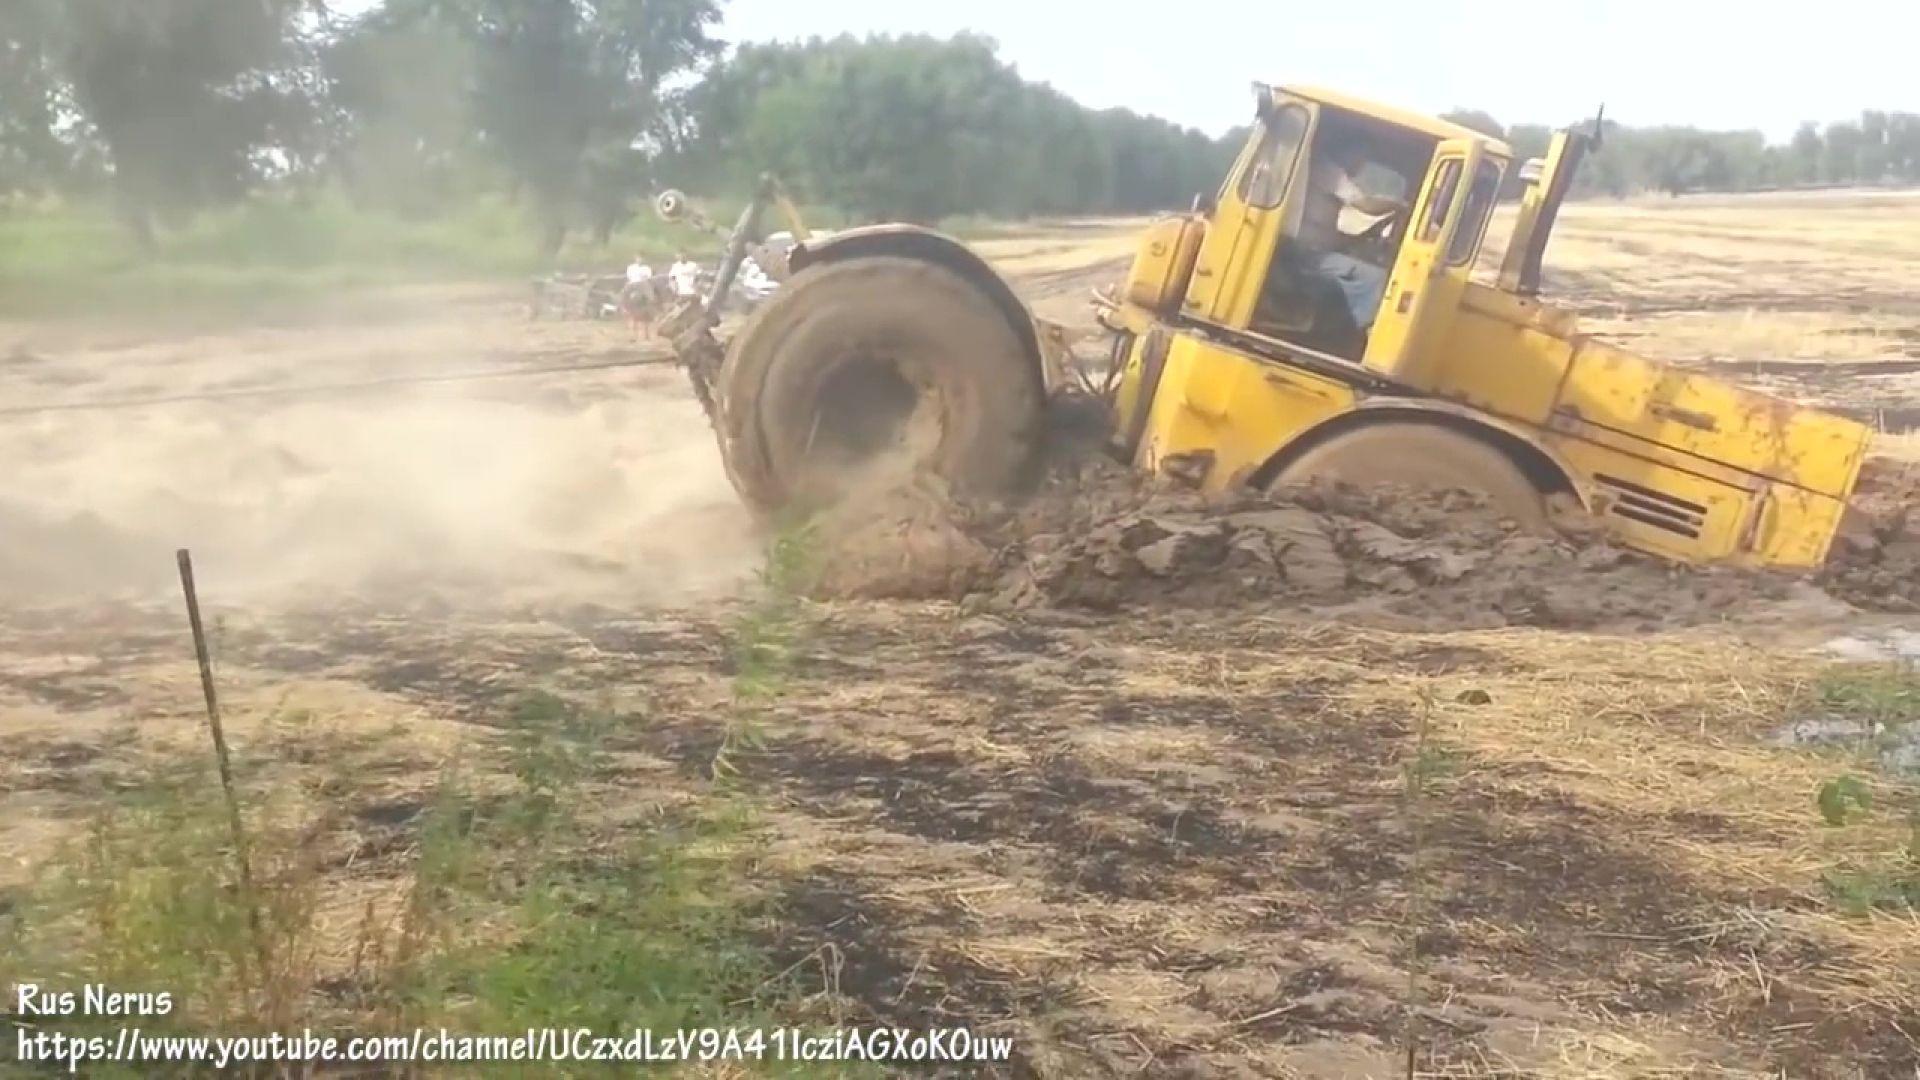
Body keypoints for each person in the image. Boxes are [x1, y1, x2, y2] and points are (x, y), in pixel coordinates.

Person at [1294, 137, 1407, 335]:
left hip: (1314, 251)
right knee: (1377, 278)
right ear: (1348, 152)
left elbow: (1327, 232)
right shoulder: (1329, 171)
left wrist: (1360, 239)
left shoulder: (1327, 173)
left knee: (1360, 263)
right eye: (1361, 158)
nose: (1361, 165)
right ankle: (1369, 337)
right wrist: (1400, 206)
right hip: (1306, 255)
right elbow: (1366, 205)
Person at [621, 255, 655, 339]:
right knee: (626, 298)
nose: (640, 259)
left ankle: (647, 334)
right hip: (633, 285)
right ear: (635, 258)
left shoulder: (647, 268)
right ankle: (633, 334)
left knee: (647, 308)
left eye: (641, 258)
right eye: (638, 258)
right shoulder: (631, 268)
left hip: (643, 286)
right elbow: (630, 278)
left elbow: (648, 278)